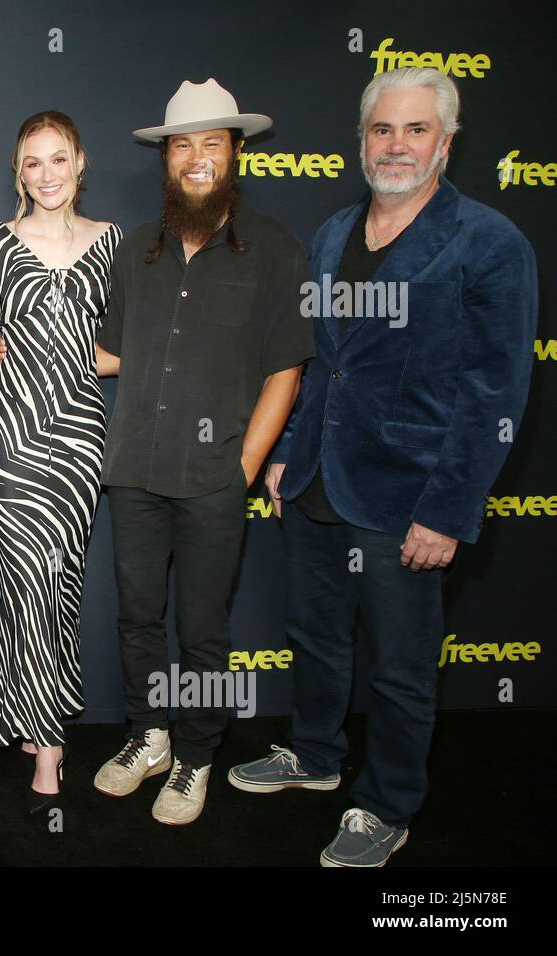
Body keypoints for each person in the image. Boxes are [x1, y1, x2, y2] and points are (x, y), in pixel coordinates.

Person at [229, 68, 538, 866]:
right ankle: (316, 756)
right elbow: (317, 364)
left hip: (409, 495)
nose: (396, 145)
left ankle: (388, 805)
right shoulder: (332, 234)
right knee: (316, 636)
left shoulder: (491, 243)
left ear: (446, 140)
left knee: (401, 668)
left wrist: (448, 510)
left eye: (415, 130)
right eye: (381, 130)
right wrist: (290, 453)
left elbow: (494, 393)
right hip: (317, 482)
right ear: (362, 138)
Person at [92, 79, 314, 824]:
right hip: (133, 470)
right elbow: (108, 355)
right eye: (181, 144)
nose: (194, 158)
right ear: (166, 157)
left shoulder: (276, 249)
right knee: (137, 619)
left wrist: (244, 468)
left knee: (206, 629)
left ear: (235, 153)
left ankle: (195, 757)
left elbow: (287, 366)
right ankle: (147, 735)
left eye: (210, 144)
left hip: (215, 477)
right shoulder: (135, 248)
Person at [0, 111, 120, 814]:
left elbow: (139, 341)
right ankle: (48, 740)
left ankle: (34, 706)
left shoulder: (114, 243)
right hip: (11, 435)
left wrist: (86, 357)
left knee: (62, 581)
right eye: (32, 162)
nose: (46, 174)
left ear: (80, 161)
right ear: (18, 171)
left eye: (57, 159)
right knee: (27, 578)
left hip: (80, 438)